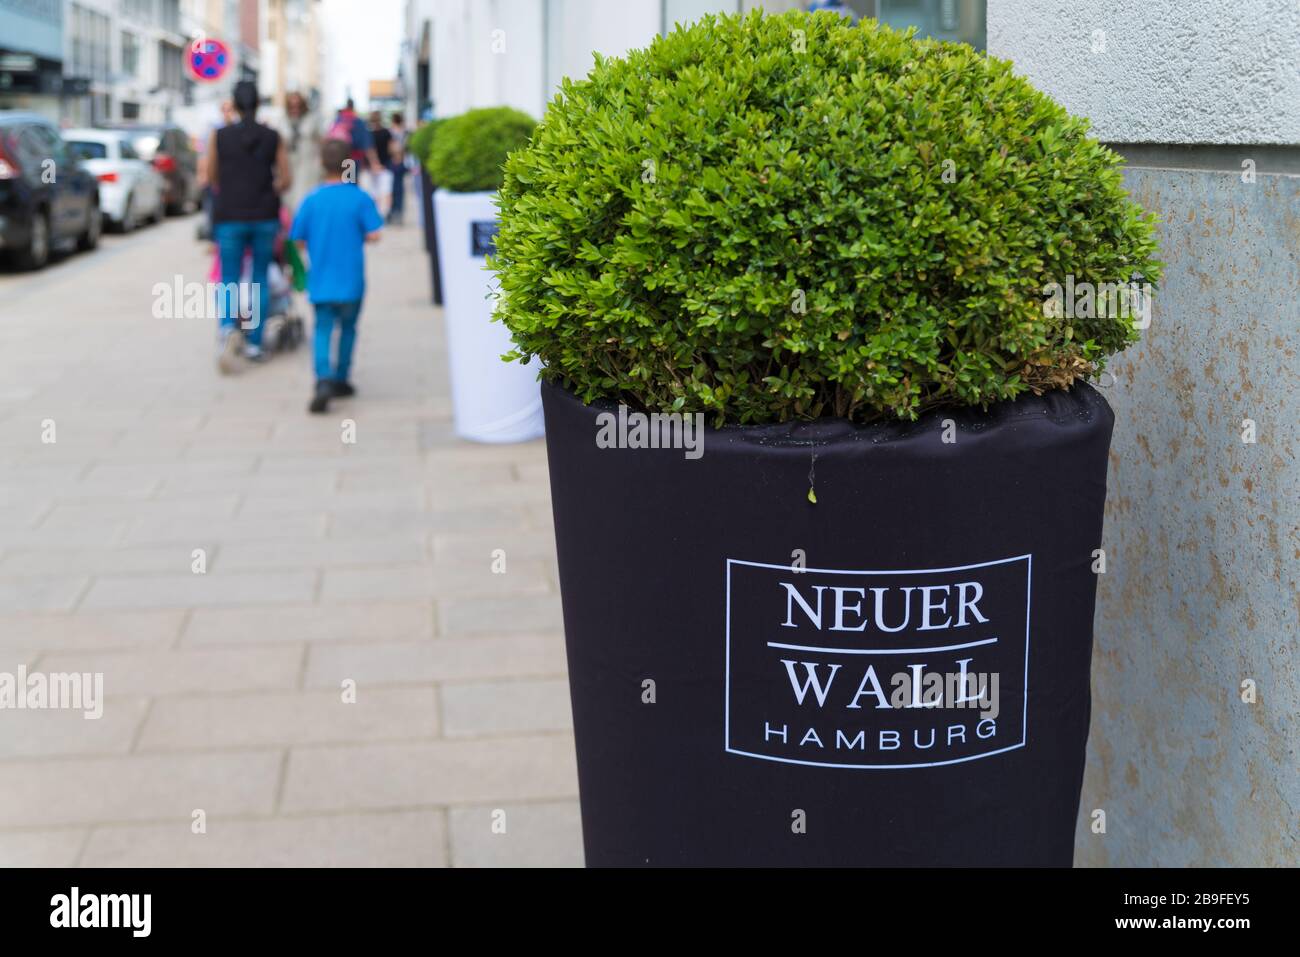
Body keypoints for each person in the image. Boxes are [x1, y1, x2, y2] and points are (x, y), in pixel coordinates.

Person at [290, 138, 384, 414]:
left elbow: (297, 239)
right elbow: (375, 234)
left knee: (321, 328)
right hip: (351, 279)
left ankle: (323, 378)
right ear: (349, 164)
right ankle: (342, 377)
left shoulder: (312, 199)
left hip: (320, 279)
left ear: (321, 164)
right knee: (349, 328)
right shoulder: (359, 198)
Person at [205, 80, 290, 371]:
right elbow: (286, 178)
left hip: (229, 214)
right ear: (258, 103)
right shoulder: (272, 136)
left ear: (236, 104)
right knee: (259, 280)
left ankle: (228, 331)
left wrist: (232, 183)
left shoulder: (219, 136)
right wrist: (267, 185)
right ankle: (255, 342)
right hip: (264, 215)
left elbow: (211, 176)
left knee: (228, 278)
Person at [283, 91, 321, 214]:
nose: (295, 109)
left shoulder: (312, 120)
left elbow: (321, 142)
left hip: (308, 169)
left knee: (306, 202)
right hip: (289, 168)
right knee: (289, 204)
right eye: (292, 106)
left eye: (298, 106)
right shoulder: (282, 121)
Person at [386, 112, 408, 224]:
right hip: (401, 162)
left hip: (393, 162)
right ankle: (398, 212)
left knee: (392, 188)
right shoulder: (405, 132)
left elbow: (391, 147)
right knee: (399, 188)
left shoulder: (391, 132)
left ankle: (392, 212)